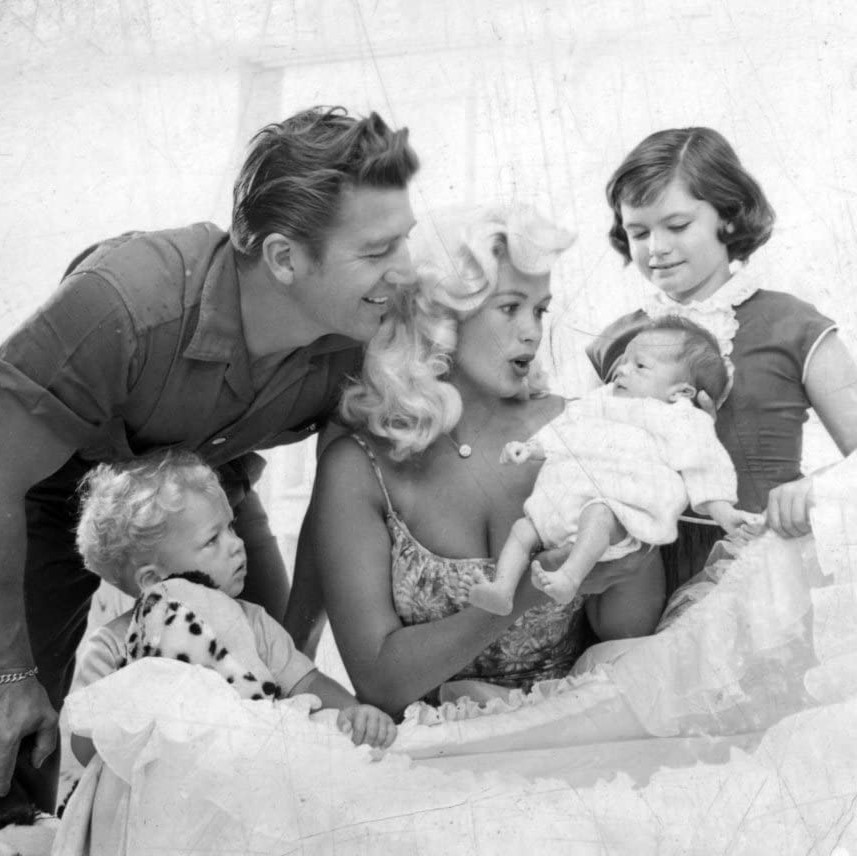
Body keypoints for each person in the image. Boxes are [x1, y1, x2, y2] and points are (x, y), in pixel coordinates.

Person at [0, 105, 418, 824]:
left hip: (206, 483)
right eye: (378, 251)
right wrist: (10, 673)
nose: (406, 271)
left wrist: (288, 660)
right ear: (283, 258)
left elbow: (336, 510)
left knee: (272, 728)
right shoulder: (122, 304)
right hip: (47, 485)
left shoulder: (368, 336)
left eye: (404, 240)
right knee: (21, 745)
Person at [289, 205, 666, 716]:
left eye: (540, 310)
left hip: (574, 736)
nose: (532, 332)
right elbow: (379, 682)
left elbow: (628, 633)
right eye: (510, 308)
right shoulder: (358, 467)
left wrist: (635, 531)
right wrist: (528, 593)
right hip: (428, 752)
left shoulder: (579, 429)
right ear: (441, 317)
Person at [587, 127, 857, 594]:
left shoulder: (794, 325)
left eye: (677, 226)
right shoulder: (613, 342)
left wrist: (812, 490)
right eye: (639, 232)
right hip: (635, 582)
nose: (656, 248)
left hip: (758, 579)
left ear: (729, 217)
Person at [73, 452, 396, 751]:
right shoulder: (111, 647)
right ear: (153, 580)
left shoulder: (254, 621)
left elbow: (306, 682)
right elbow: (85, 746)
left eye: (231, 527)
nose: (237, 544)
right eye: (212, 540)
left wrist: (353, 712)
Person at [467, 317, 762, 616]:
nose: (622, 369)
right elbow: (566, 427)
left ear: (681, 392)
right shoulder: (600, 400)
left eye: (640, 366)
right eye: (624, 361)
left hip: (619, 514)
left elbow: (703, 463)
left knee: (599, 514)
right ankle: (501, 590)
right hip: (559, 505)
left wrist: (723, 512)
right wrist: (532, 447)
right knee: (522, 530)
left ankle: (569, 576)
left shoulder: (679, 418)